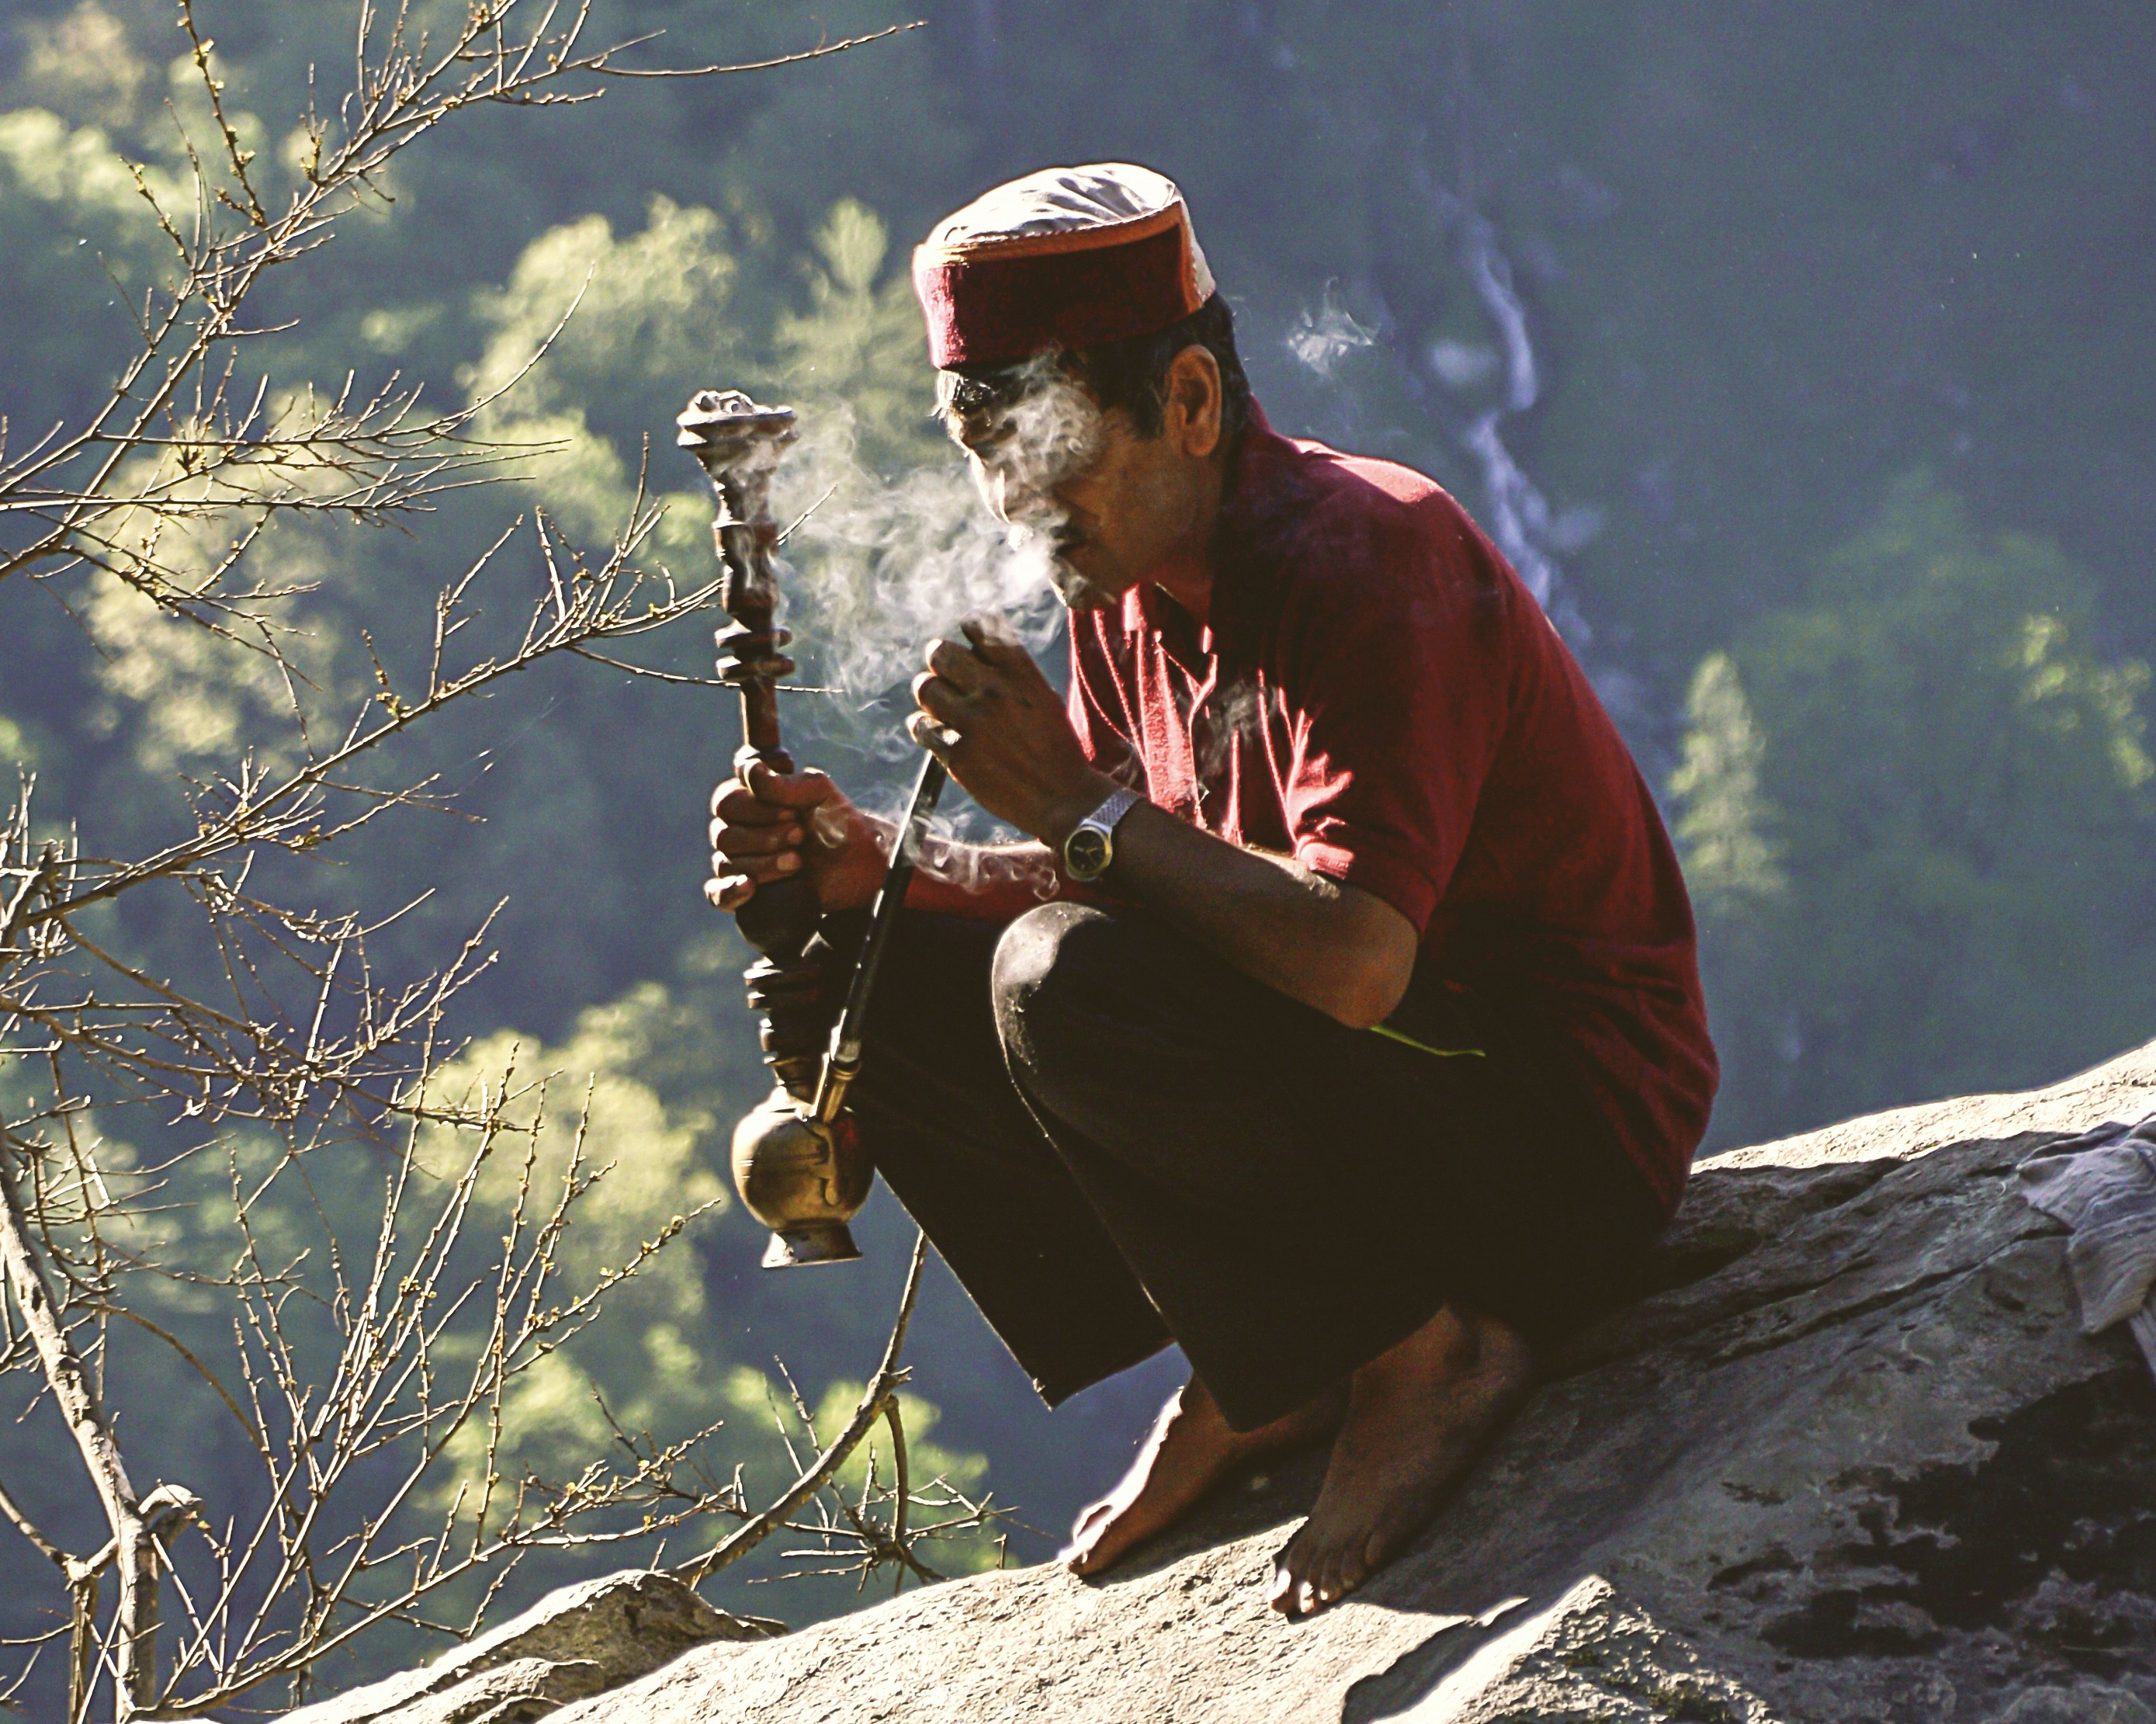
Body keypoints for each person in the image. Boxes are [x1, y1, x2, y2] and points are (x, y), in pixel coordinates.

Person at [702, 164, 1717, 1617]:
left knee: (1067, 979)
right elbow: (1119, 864)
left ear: (1187, 401)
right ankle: (1279, 1357)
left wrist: (1061, 796)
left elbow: (1354, 959)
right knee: (874, 947)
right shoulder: (1120, 580)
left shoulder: (1370, 555)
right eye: (980, 445)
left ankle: (1427, 1358)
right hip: (1380, 1102)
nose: (1009, 498)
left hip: (1550, 1141)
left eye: (1046, 444)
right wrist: (887, 865)